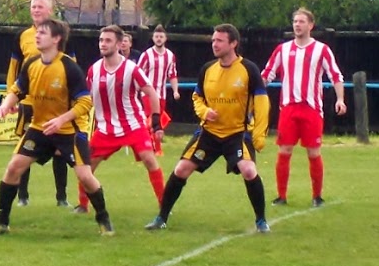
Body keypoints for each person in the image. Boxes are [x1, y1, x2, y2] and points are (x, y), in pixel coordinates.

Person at [0, 19, 115, 236]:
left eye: (43, 33)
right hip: (39, 128)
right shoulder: (31, 64)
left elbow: (85, 103)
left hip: (69, 131)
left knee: (85, 176)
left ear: (56, 39)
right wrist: (5, 106)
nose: (37, 36)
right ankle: (2, 222)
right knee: (13, 168)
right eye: (37, 32)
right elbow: (17, 90)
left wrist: (61, 120)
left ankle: (104, 219)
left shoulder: (68, 67)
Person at [146, 23, 271, 233]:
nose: (214, 44)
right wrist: (204, 112)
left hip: (237, 133)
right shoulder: (207, 69)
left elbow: (261, 102)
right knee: (181, 169)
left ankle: (261, 221)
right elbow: (197, 97)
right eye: (213, 40)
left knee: (249, 171)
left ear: (233, 43)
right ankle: (161, 218)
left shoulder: (248, 69)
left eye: (219, 40)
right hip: (210, 133)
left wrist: (258, 133)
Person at [262, 8, 346, 207]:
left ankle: (317, 196)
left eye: (301, 21)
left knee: (313, 152)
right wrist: (254, 88)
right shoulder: (282, 49)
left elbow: (335, 75)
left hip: (311, 108)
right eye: (295, 21)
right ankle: (281, 196)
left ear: (310, 25)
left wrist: (340, 99)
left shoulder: (321, 50)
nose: (297, 25)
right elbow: (267, 74)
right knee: (284, 150)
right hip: (289, 108)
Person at [82, 26, 166, 210]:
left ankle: (164, 205)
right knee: (86, 165)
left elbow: (151, 92)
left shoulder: (131, 69)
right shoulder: (93, 70)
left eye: (108, 40)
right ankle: (82, 205)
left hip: (133, 125)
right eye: (101, 40)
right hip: (105, 129)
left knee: (149, 159)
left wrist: (156, 120)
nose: (103, 44)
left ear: (120, 44)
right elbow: (86, 98)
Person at [6, 0, 77, 207]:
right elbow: (14, 68)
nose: (35, 10)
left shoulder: (60, 35)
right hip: (30, 102)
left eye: (40, 7)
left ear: (49, 11)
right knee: (24, 148)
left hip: (56, 103)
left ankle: (61, 197)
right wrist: (11, 97)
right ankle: (22, 196)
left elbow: (72, 67)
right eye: (33, 7)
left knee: (59, 150)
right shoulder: (22, 36)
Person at [138, 25, 179, 154]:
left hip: (162, 94)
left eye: (161, 36)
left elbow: (172, 74)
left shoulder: (170, 55)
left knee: (159, 120)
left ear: (165, 38)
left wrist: (175, 90)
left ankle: (155, 146)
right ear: (153, 38)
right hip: (147, 94)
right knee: (151, 118)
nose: (159, 39)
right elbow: (138, 72)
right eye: (156, 36)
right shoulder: (146, 55)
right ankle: (150, 147)